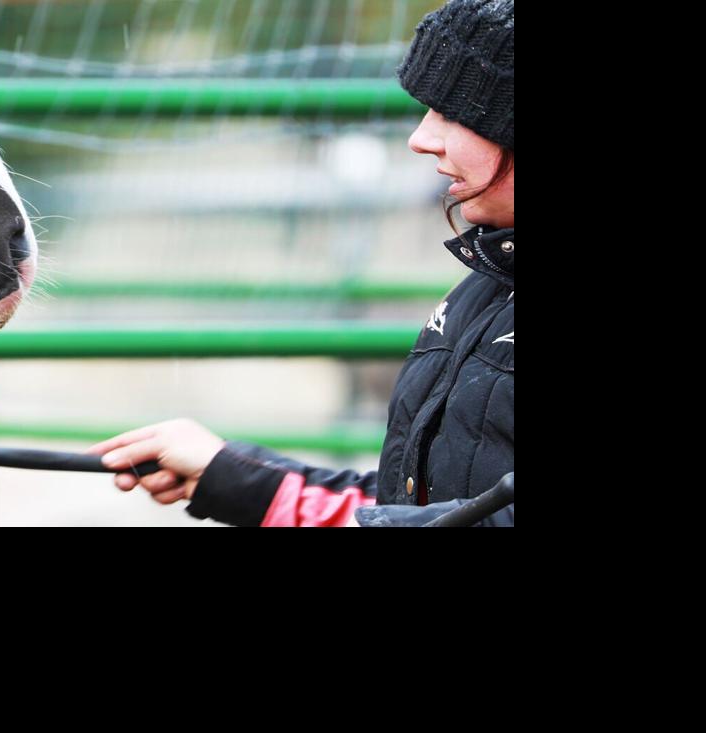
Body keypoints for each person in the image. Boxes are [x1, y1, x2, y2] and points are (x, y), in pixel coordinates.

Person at [87, 0, 514, 527]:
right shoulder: (483, 290)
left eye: (455, 113)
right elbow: (425, 505)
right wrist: (231, 475)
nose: (421, 139)